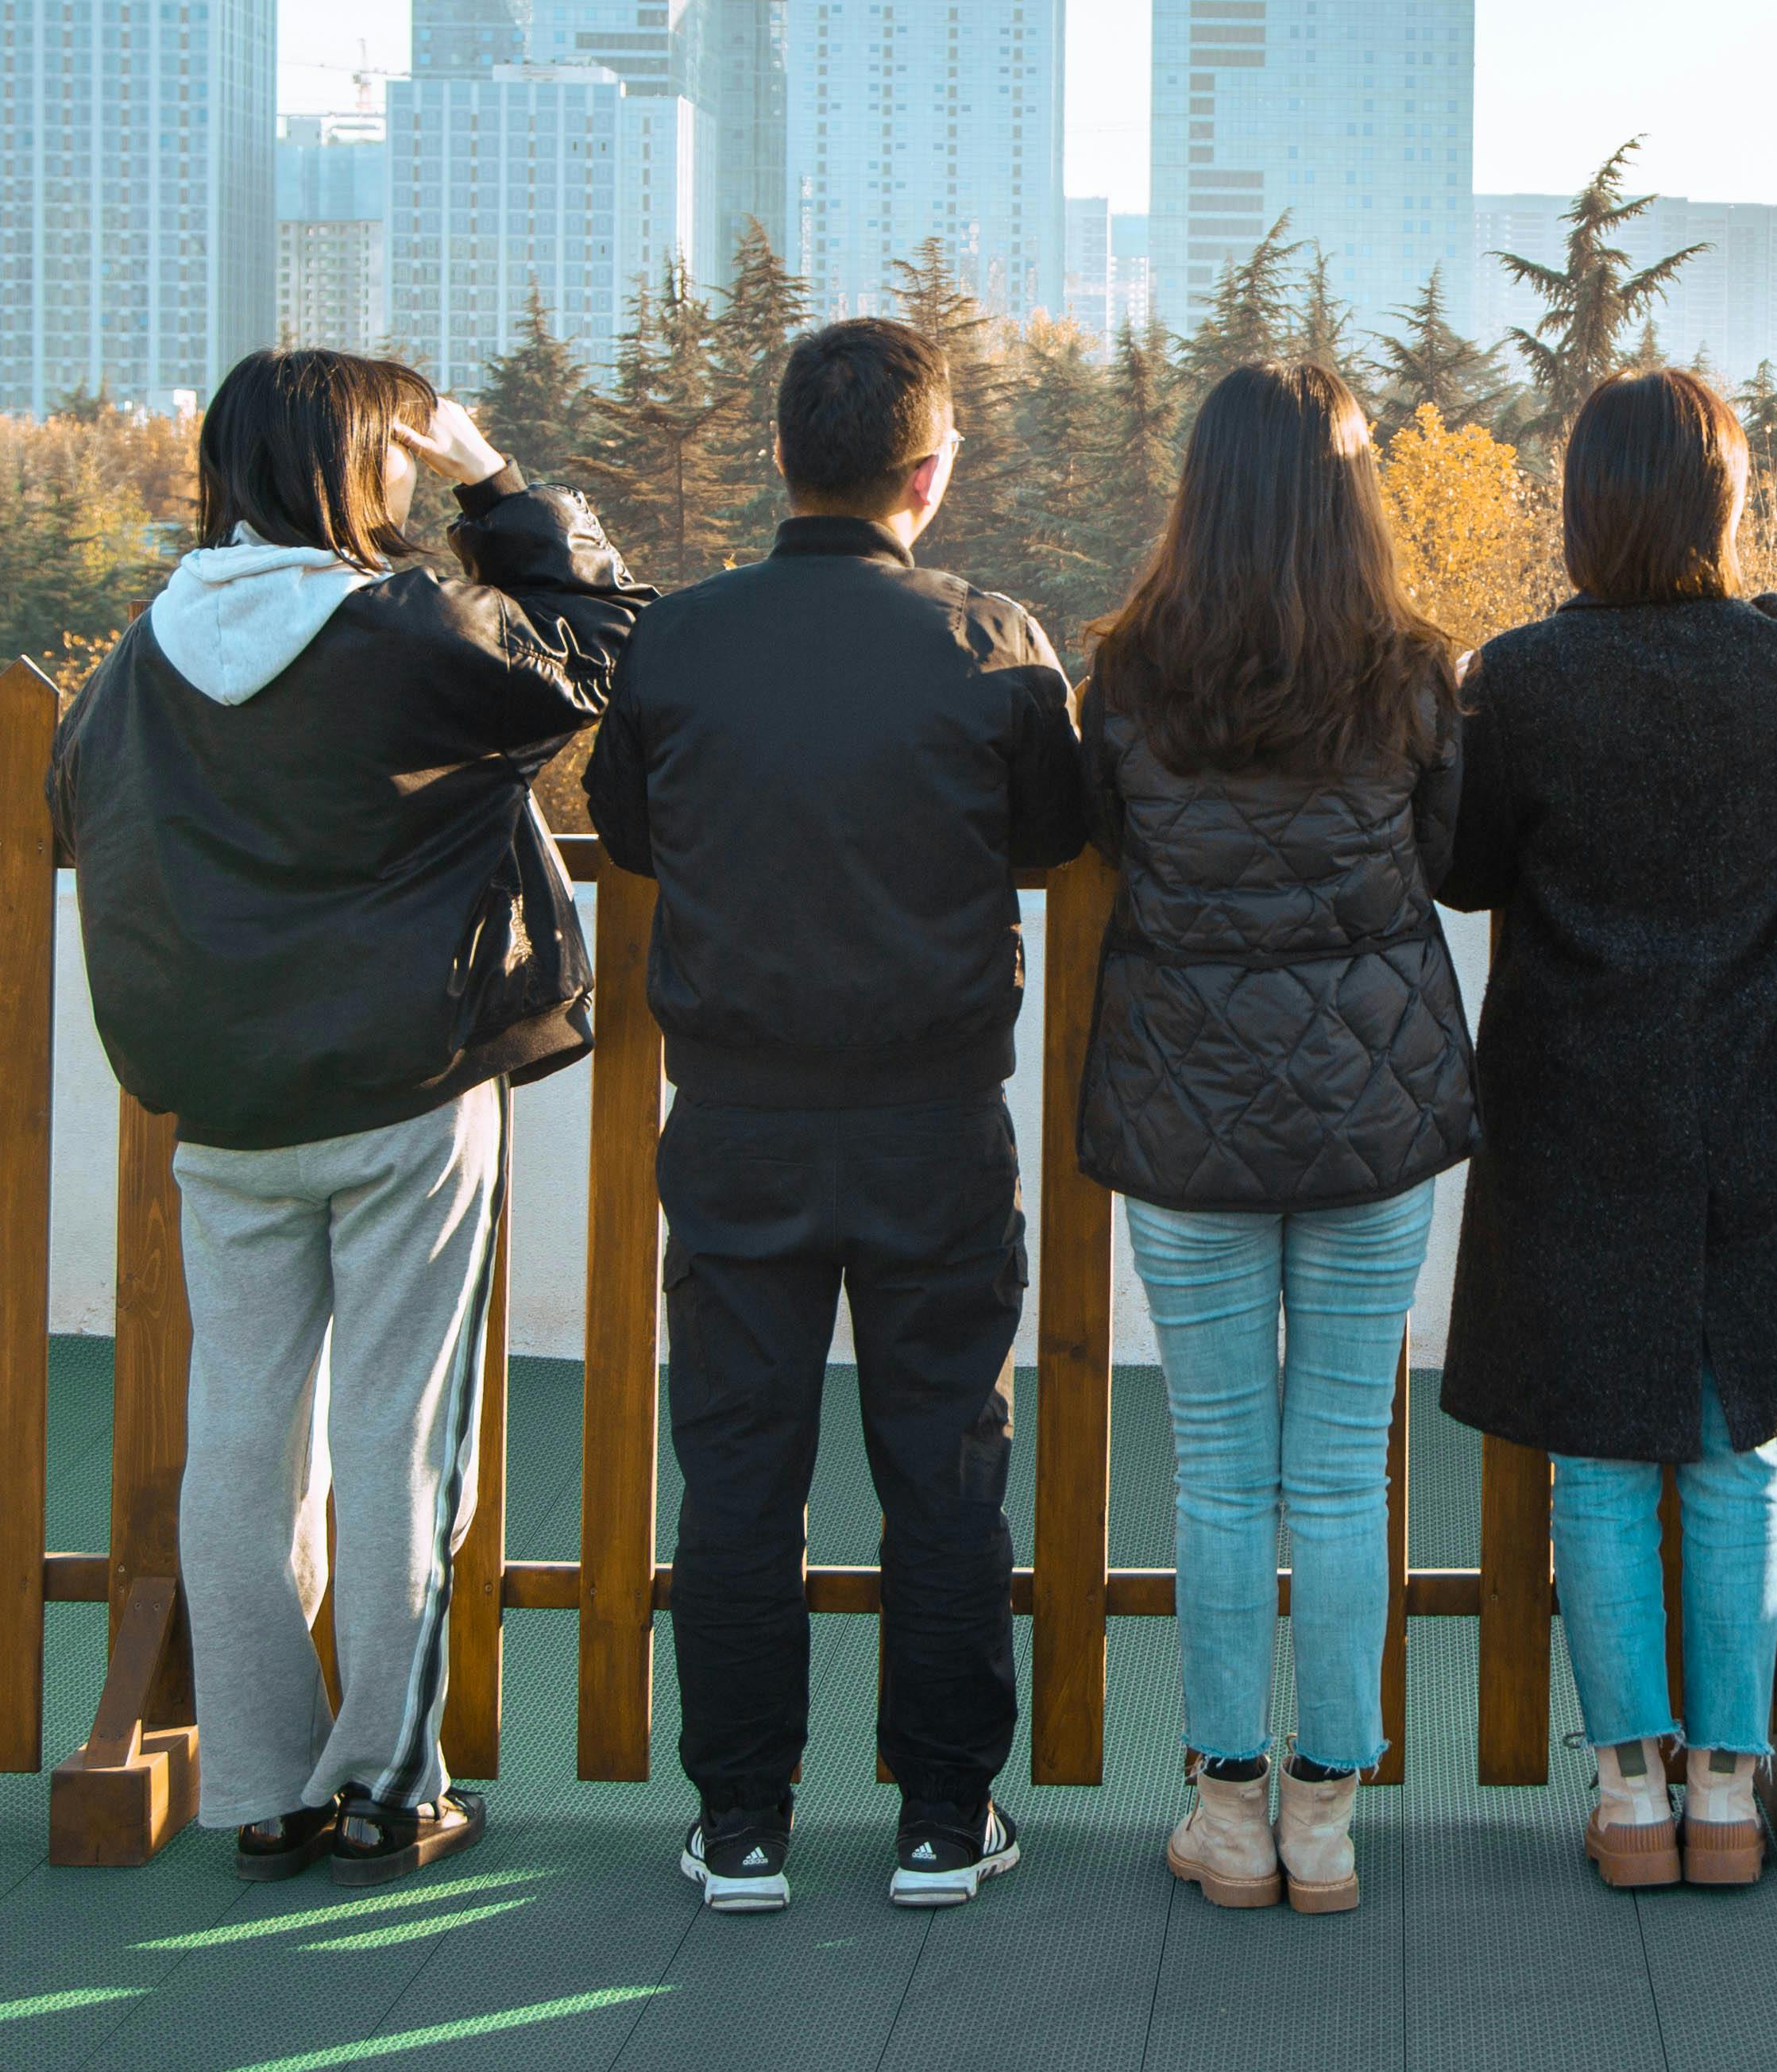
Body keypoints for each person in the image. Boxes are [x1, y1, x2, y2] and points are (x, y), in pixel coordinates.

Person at [55, 349, 645, 1890]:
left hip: (232, 1111)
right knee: (398, 1432)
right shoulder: (400, 627)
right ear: (361, 466)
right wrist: (499, 485)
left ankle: (262, 1782)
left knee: (243, 1434)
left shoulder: (140, 657)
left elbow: (93, 823)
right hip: (406, 1094)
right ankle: (385, 1783)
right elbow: (602, 650)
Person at [585, 316, 1084, 1916]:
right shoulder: (991, 638)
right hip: (935, 1119)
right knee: (942, 1467)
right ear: (927, 474)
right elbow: (1056, 831)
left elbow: (630, 834)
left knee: (739, 1473)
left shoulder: (681, 641)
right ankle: (945, 1815)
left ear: (781, 456)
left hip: (736, 1117)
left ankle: (741, 1823)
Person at [1440, 368, 1777, 1891]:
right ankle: (1727, 1789)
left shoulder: (1518, 677)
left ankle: (1629, 1794)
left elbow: (1458, 869)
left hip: (1576, 1097)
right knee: (1736, 1460)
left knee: (1597, 1465)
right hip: (1747, 1090)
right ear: (1722, 498)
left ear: (1583, 505)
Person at [1076, 361, 1474, 1916]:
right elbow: (1449, 860)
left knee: (1220, 1471)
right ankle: (1328, 1813)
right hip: (1373, 1121)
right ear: (1349, 493)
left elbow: (1109, 842)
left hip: (1186, 1119)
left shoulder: (1126, 672)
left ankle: (1226, 1813)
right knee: (1343, 1471)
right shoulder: (1410, 670)